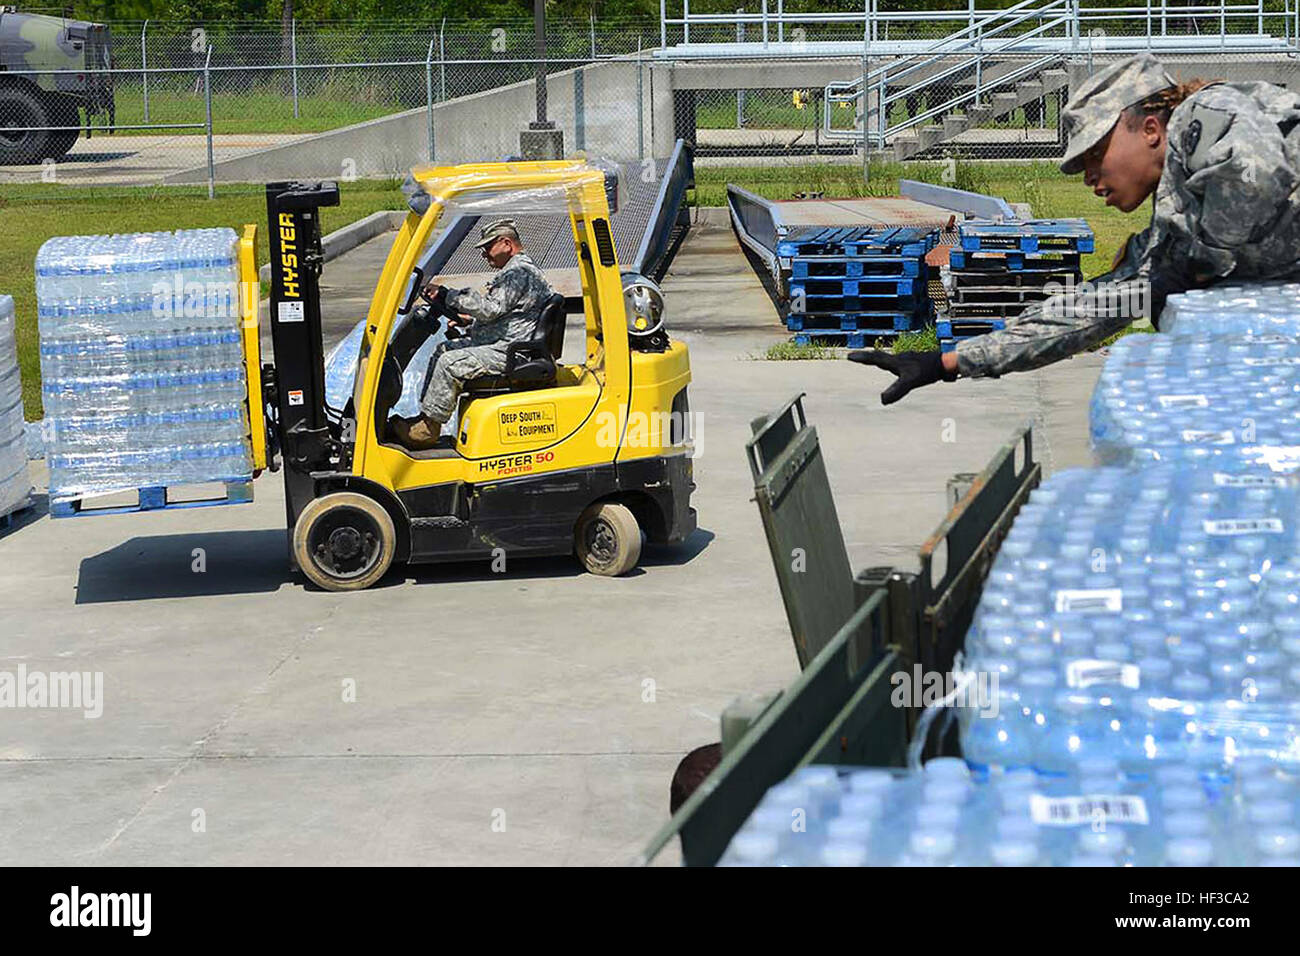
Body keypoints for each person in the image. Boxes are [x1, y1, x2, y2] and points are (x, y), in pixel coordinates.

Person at [850, 52, 1300, 404]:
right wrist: (947, 362)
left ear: (1148, 128)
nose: (1089, 177)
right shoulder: (1172, 239)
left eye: (1094, 156)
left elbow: (1257, 171)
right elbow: (1087, 311)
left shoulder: (1200, 114)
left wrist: (1203, 262)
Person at [391, 218, 556, 450]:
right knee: (444, 349)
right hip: (506, 343)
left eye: (488, 247)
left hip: (510, 351)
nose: (485, 254)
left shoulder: (519, 272)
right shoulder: (517, 270)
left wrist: (449, 296)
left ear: (506, 243)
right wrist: (469, 319)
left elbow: (490, 309)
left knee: (450, 363)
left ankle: (428, 429)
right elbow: (506, 311)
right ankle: (426, 418)